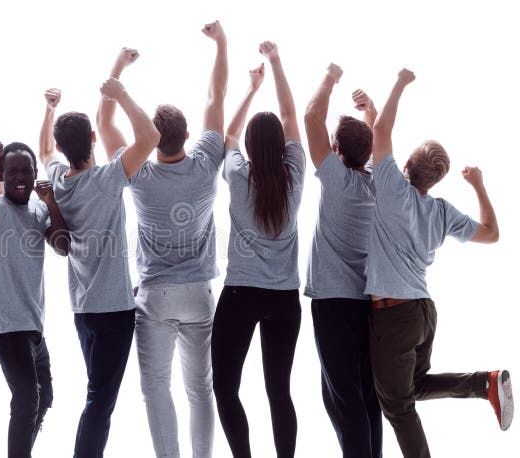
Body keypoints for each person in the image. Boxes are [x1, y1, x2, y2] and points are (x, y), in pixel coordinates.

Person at [95, 20, 228, 458]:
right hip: (199, 295)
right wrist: (220, 42)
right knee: (200, 390)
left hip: (155, 295)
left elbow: (104, 119)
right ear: (188, 136)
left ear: (150, 141)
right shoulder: (208, 163)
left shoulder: (138, 172)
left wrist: (119, 68)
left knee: (156, 389)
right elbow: (215, 97)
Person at [366, 68, 513, 457]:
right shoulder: (442, 211)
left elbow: (381, 134)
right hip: (423, 314)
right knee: (411, 387)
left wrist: (398, 82)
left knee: (398, 407)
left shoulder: (392, 190)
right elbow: (491, 232)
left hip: (395, 317)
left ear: (406, 169)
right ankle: (484, 383)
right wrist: (479, 185)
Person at [38, 82, 160, 457]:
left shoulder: (58, 179)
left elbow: (43, 149)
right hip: (114, 313)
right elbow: (150, 136)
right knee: (99, 402)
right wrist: (121, 93)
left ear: (62, 148)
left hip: (83, 311)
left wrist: (48, 111)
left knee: (98, 396)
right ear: (93, 137)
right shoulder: (108, 179)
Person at [210, 41, 304, 458]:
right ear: (282, 145)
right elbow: (289, 115)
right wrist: (277, 62)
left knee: (224, 387)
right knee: (279, 392)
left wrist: (251, 89)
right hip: (285, 299)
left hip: (241, 296)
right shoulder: (295, 175)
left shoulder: (236, 172)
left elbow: (228, 135)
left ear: (250, 146)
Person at [0, 138, 70, 458]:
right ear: (0, 175)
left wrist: (51, 202)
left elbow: (62, 246)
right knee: (27, 399)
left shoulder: (38, 208)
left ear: (35, 172)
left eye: (26, 171)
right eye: (11, 171)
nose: (20, 178)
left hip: (32, 324)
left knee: (45, 396)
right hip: (5, 323)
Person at [303, 63, 382, 457]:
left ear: (335, 152)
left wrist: (330, 77)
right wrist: (371, 114)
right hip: (366, 304)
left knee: (343, 400)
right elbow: (378, 144)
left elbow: (310, 117)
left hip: (333, 304)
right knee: (366, 398)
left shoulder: (338, 182)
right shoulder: (378, 185)